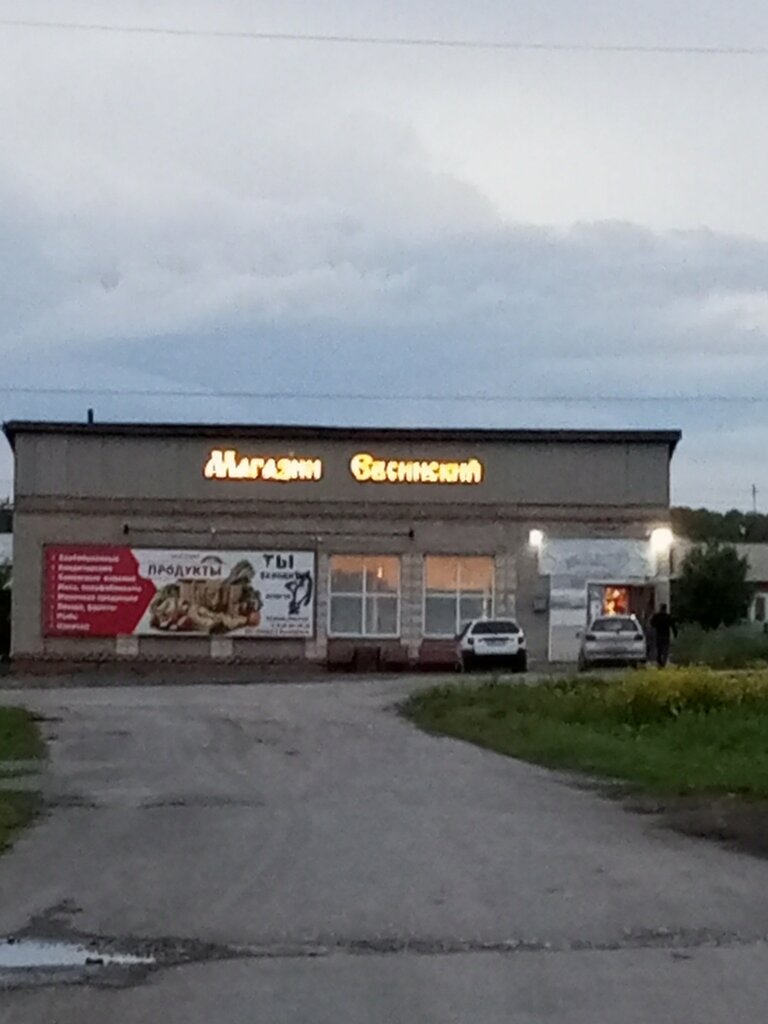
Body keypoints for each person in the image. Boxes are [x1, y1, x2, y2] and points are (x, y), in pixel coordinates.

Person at [650, 603, 677, 668]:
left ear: (661, 608)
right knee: (665, 650)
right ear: (665, 609)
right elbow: (673, 626)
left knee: (659, 650)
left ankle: (659, 662)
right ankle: (663, 663)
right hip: (666, 636)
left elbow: (652, 623)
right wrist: (675, 634)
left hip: (659, 635)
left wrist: (655, 626)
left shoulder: (656, 616)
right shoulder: (668, 616)